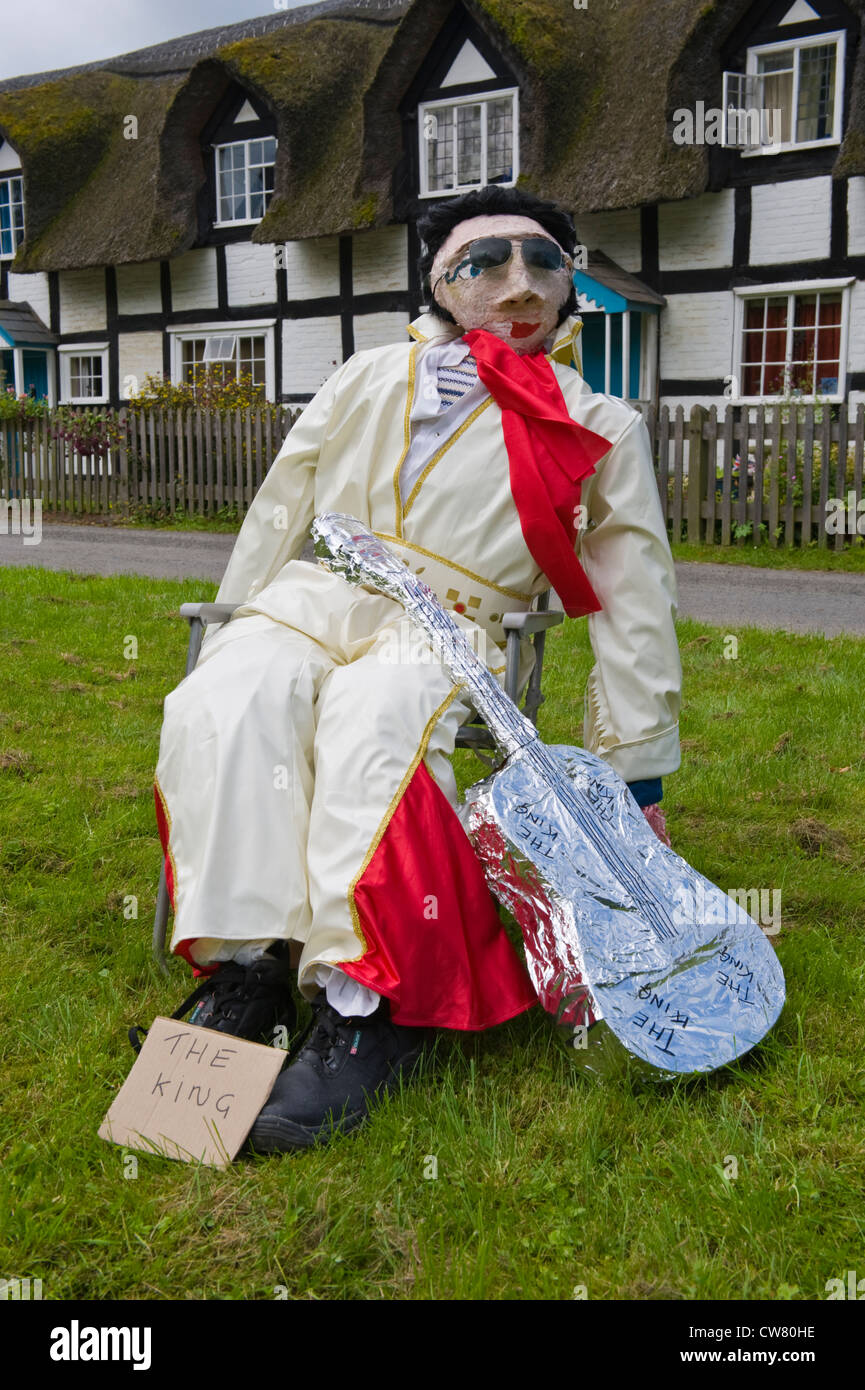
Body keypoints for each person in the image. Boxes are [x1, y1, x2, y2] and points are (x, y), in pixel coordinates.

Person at [153, 184, 682, 1152]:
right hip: (317, 592)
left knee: (375, 724)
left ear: (571, 286)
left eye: (543, 262)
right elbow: (284, 502)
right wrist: (238, 613)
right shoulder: (365, 376)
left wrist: (636, 762)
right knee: (224, 701)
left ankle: (365, 1005)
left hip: (449, 621)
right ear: (438, 285)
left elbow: (634, 590)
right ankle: (251, 968)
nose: (518, 283)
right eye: (485, 263)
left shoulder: (598, 422)